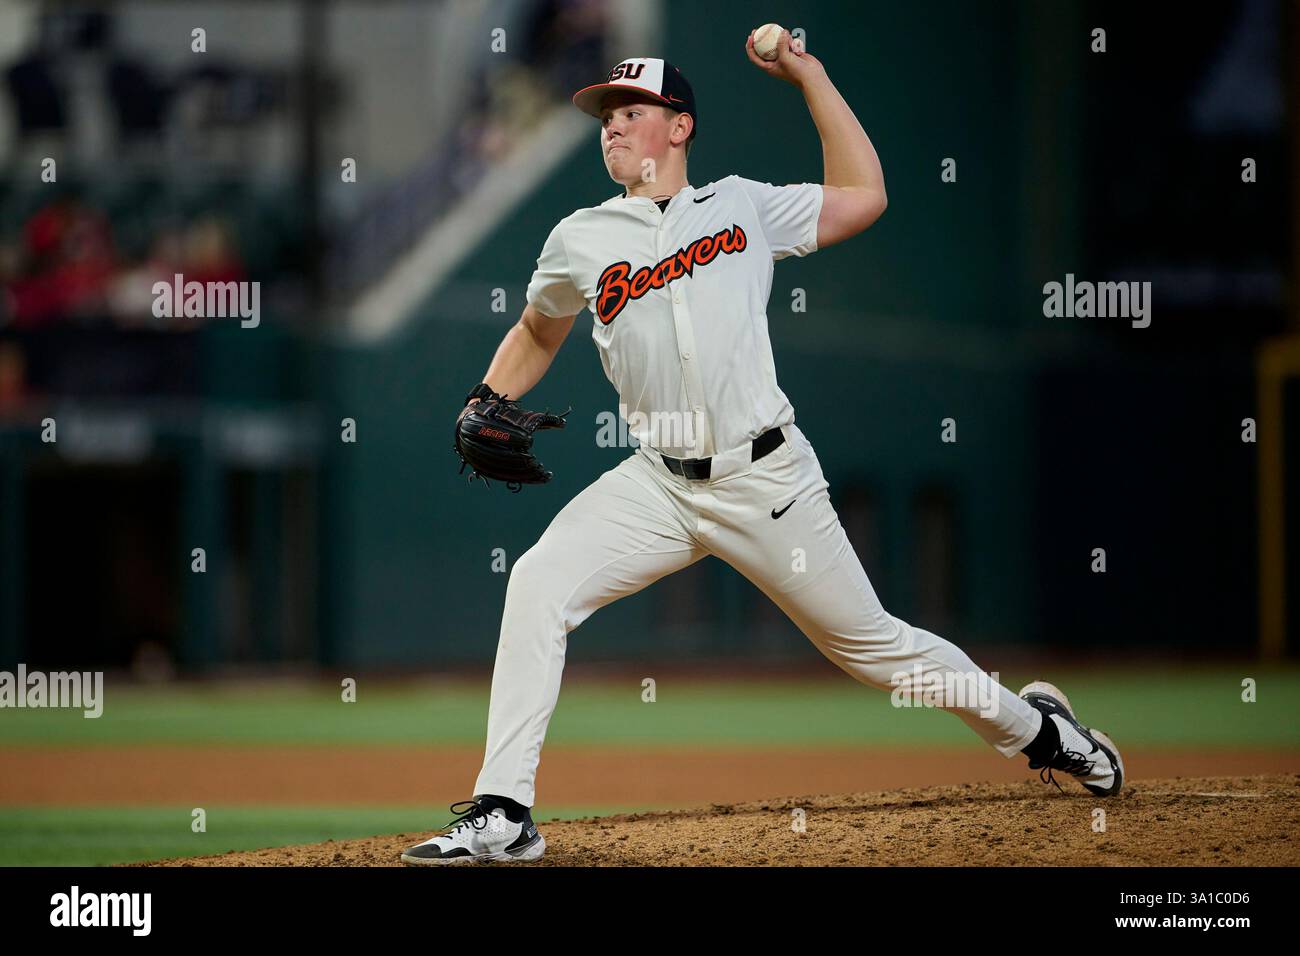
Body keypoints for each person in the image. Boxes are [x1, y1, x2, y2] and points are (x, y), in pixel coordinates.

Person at [402, 31, 1122, 866]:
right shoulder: (581, 237)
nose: (613, 126)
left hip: (766, 478)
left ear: (680, 127)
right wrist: (486, 397)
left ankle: (1041, 733)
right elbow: (538, 327)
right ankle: (503, 811)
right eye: (606, 115)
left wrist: (810, 75)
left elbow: (864, 194)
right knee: (536, 580)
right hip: (656, 485)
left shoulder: (741, 206)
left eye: (632, 111)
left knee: (879, 652)